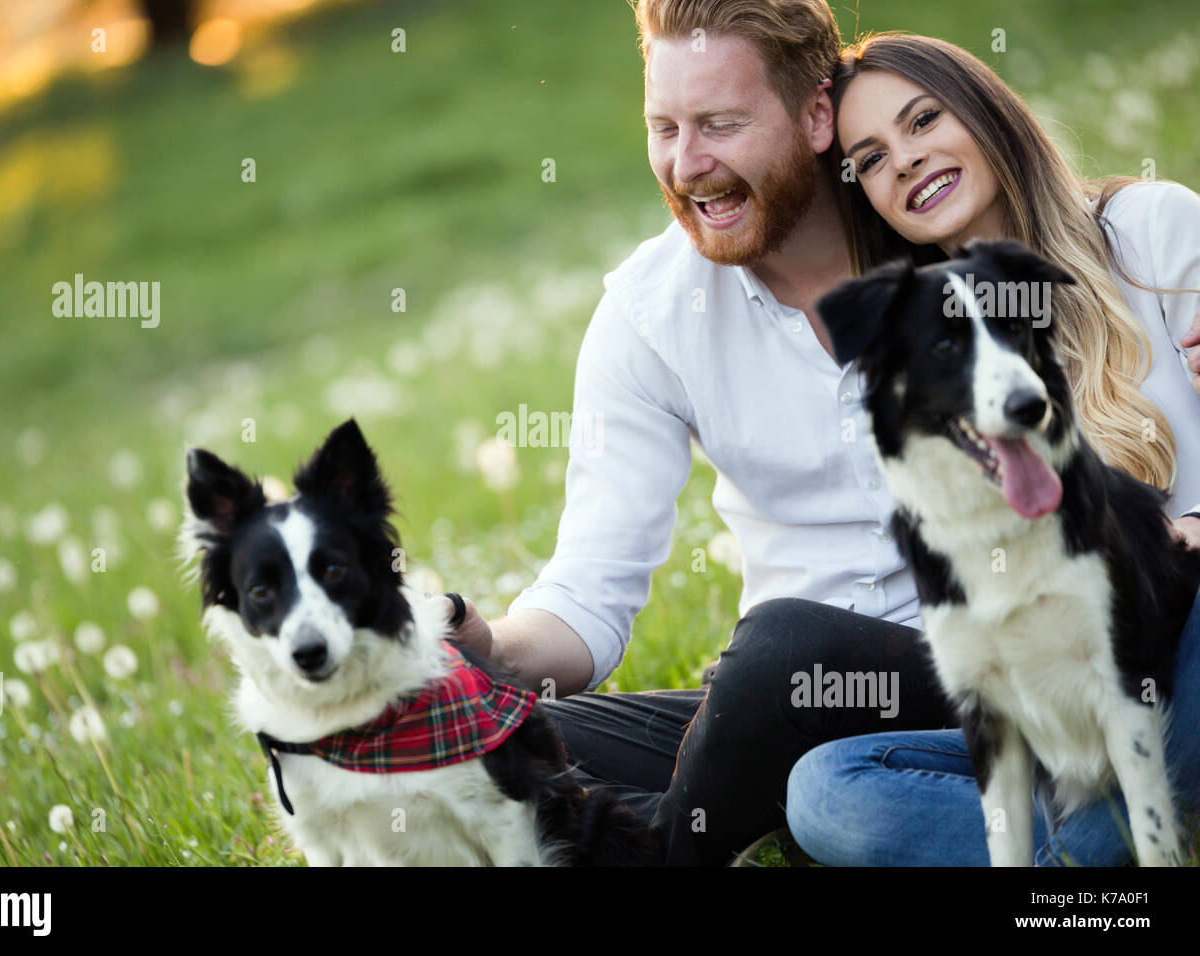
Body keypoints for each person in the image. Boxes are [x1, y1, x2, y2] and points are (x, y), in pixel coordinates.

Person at [438, 2, 1200, 866]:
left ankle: (666, 848)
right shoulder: (652, 316)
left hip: (994, 657)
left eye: (721, 124)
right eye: (664, 128)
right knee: (491, 733)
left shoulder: (945, 241)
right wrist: (483, 645)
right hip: (801, 707)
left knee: (783, 654)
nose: (689, 165)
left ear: (815, 118)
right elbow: (589, 589)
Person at [782, 32, 1200, 865]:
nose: (903, 160)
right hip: (1066, 715)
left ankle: (1095, 854)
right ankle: (1103, 846)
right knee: (828, 789)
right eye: (869, 157)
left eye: (923, 119)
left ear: (985, 111)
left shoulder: (1153, 230)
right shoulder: (921, 361)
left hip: (1189, 633)